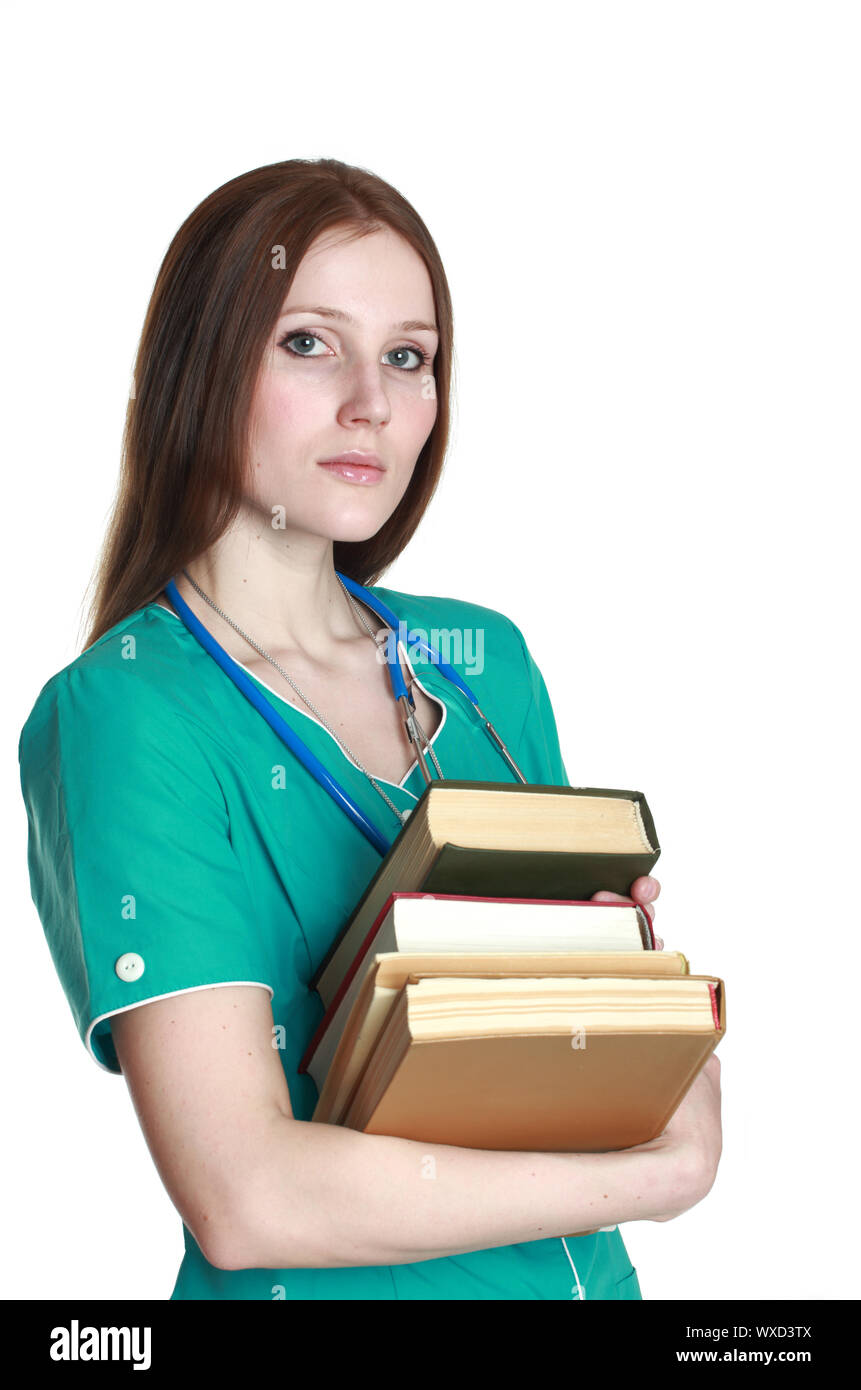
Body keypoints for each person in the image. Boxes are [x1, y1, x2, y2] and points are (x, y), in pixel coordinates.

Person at [18, 157, 722, 1300]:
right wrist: (660, 1170)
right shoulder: (130, 711)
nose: (372, 402)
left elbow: (622, 1039)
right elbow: (248, 1198)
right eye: (309, 343)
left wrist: (622, 982)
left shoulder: (484, 662)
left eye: (408, 356)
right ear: (201, 366)